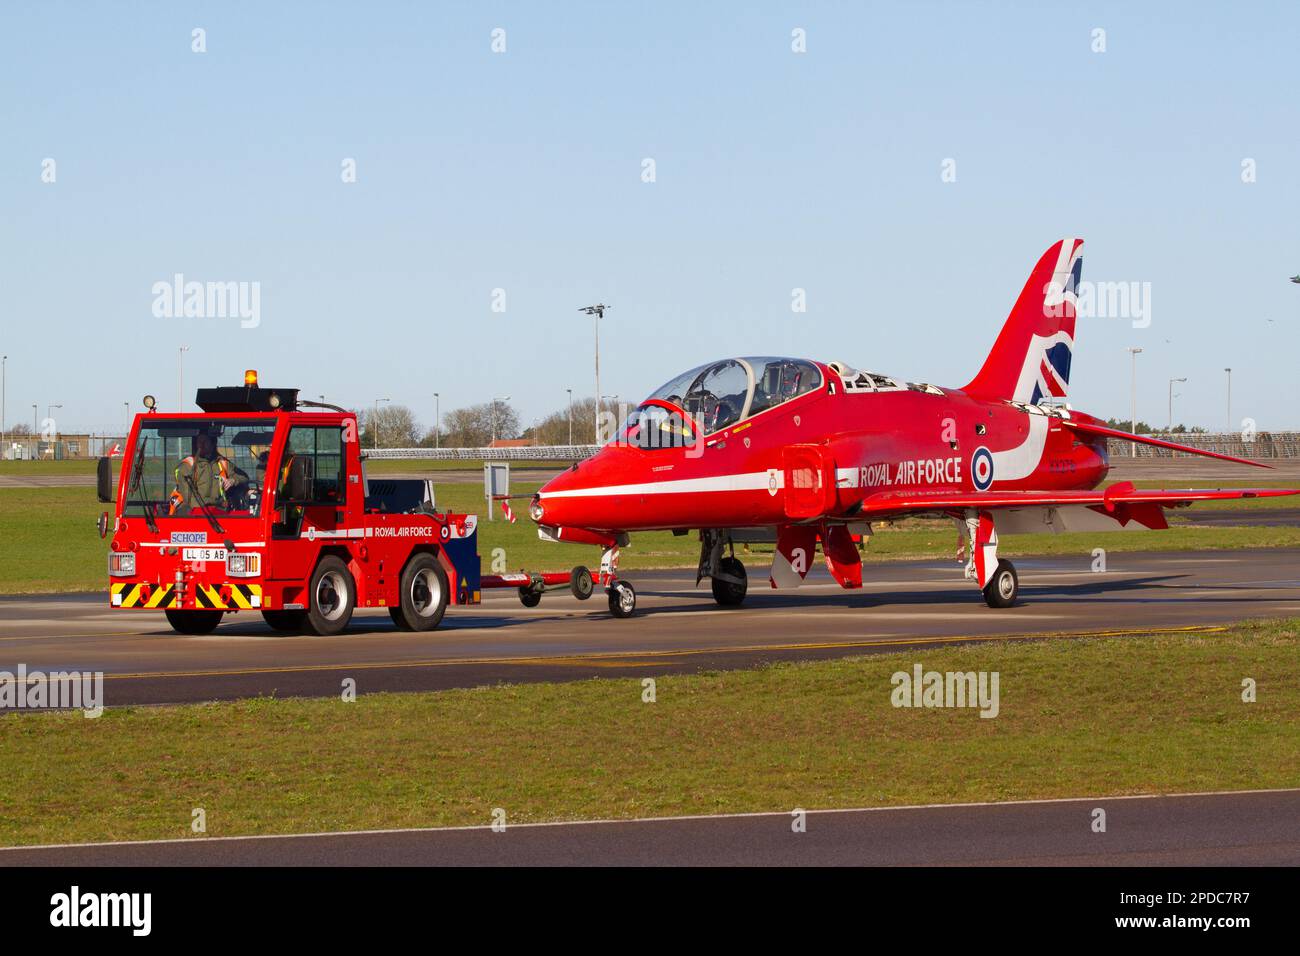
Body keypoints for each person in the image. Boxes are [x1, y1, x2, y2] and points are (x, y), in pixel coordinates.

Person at [168, 434, 247, 514]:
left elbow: (244, 477)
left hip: (219, 515)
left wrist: (233, 480)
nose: (201, 444)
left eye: (205, 441)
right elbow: (191, 500)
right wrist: (216, 503)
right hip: (193, 516)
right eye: (199, 441)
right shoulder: (187, 466)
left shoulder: (222, 463)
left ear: (212, 443)